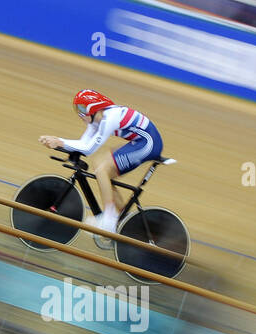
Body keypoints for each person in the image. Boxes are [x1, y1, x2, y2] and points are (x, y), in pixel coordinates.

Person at [39, 90, 164, 233]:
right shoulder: (96, 120)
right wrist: (59, 142)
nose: (79, 114)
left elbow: (89, 149)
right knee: (100, 166)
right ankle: (122, 221)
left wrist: (60, 142)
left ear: (92, 108)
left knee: (102, 170)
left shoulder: (109, 118)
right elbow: (83, 142)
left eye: (81, 109)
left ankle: (109, 220)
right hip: (139, 141)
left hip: (149, 144)